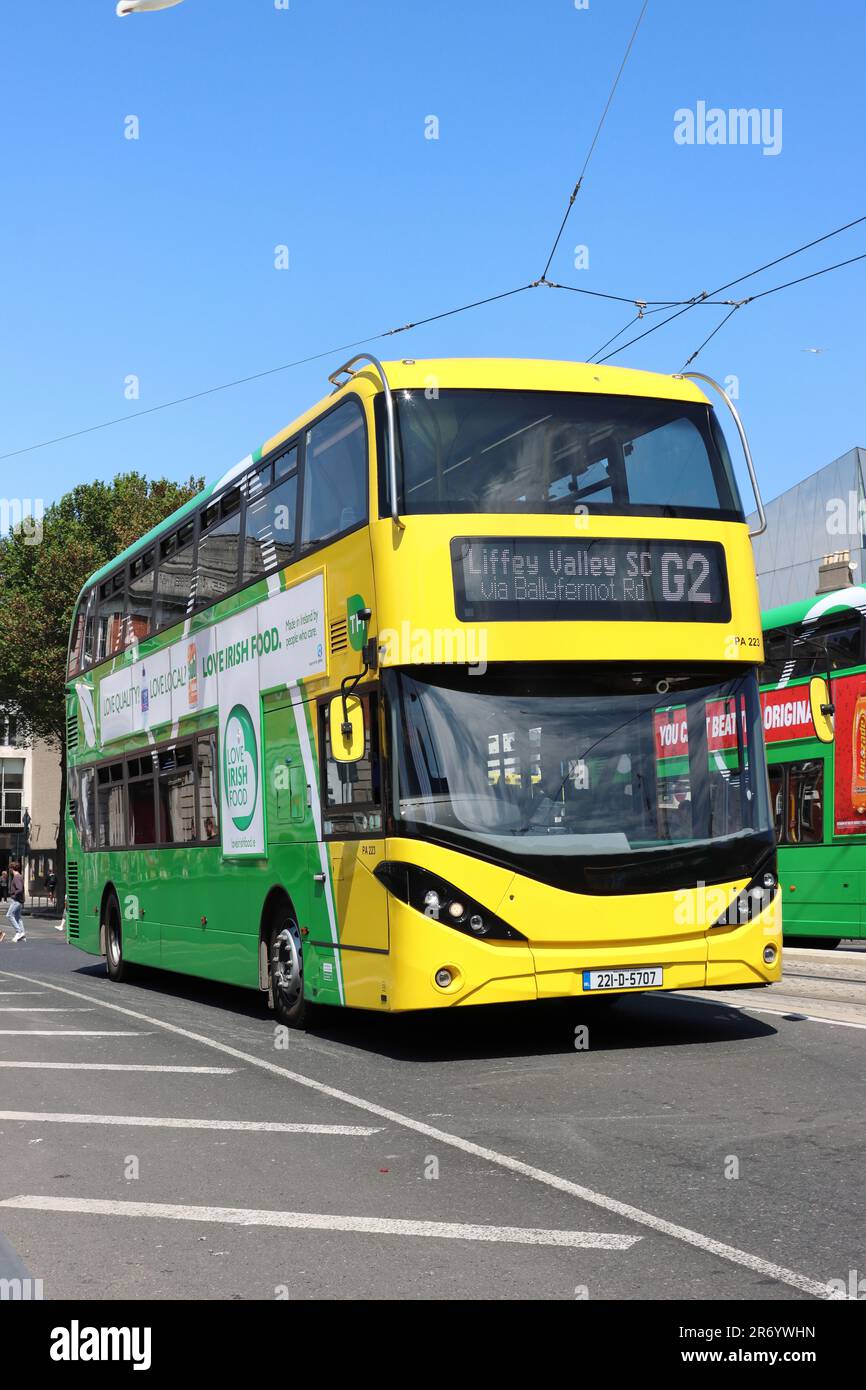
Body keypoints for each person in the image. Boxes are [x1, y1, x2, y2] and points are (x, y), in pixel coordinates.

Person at [4, 860, 26, 943]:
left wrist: (13, 894)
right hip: (19, 900)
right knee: (18, 917)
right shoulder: (19, 876)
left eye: (9, 868)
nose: (9, 870)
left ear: (11, 868)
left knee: (9, 915)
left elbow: (19, 889)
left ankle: (18, 932)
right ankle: (22, 934)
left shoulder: (16, 877)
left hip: (16, 900)